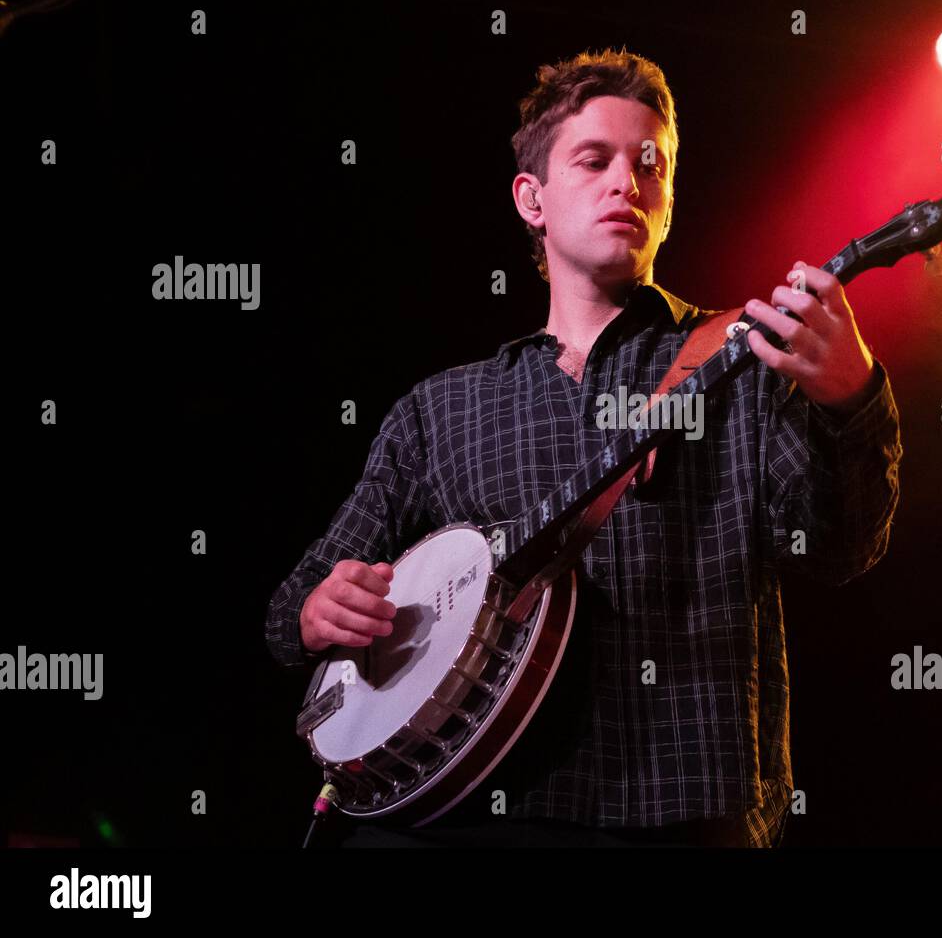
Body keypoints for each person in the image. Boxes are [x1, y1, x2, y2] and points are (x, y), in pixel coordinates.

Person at [266, 48, 903, 847]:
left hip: (680, 810)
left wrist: (851, 398)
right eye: (593, 159)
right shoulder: (438, 409)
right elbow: (293, 606)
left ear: (668, 206)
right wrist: (322, 611)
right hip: (460, 810)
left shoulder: (743, 360)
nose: (626, 183)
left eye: (650, 166)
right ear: (531, 199)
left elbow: (840, 548)